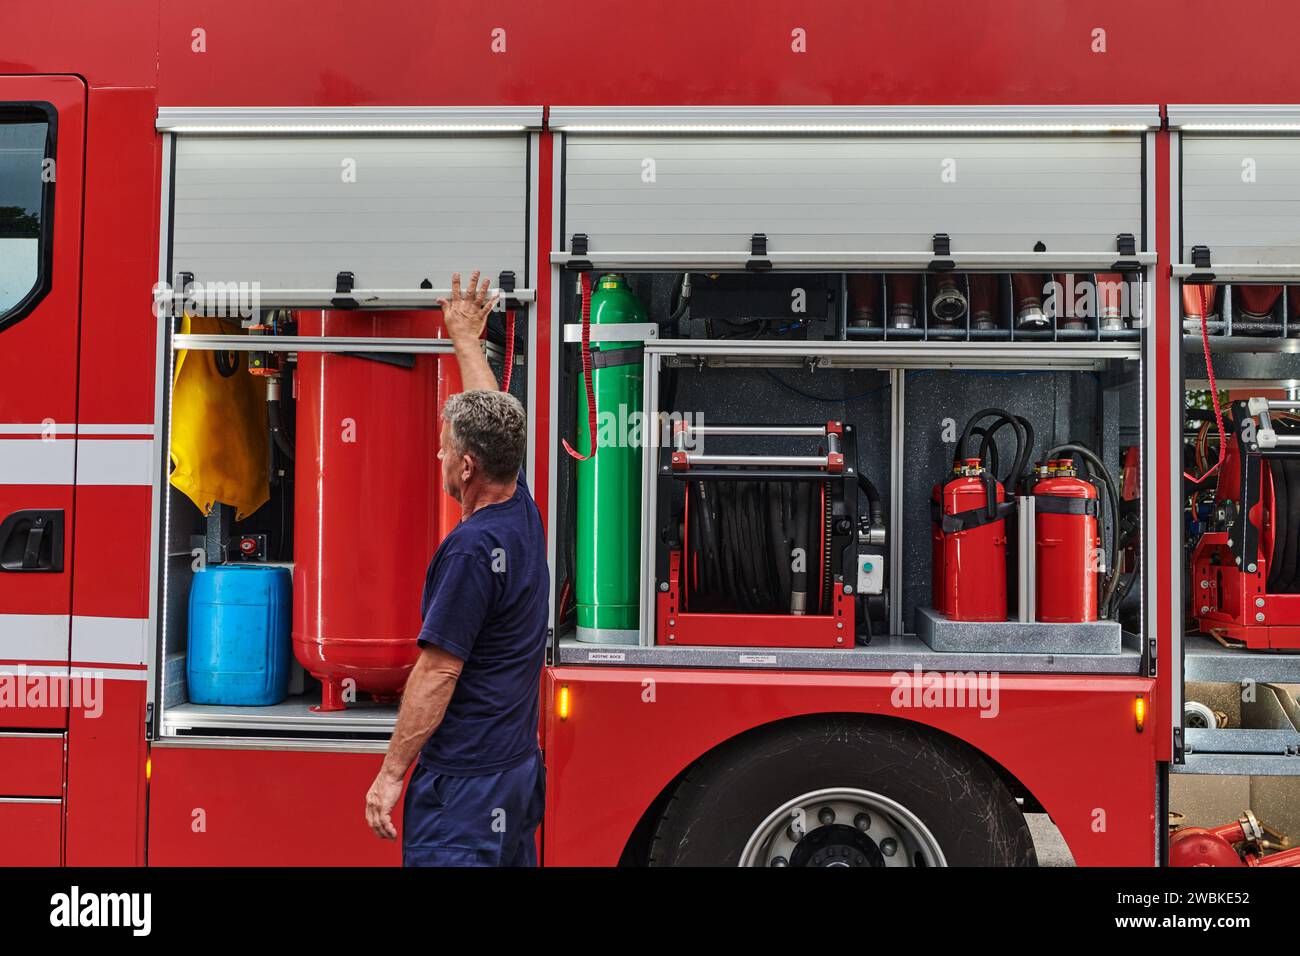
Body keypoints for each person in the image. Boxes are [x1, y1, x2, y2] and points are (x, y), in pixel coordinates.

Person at [364, 271, 548, 866]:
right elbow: (492, 421)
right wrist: (466, 340)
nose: (437, 455)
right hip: (514, 772)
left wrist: (392, 773)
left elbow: (438, 672)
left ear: (467, 467)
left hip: (466, 790)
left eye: (444, 448)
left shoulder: (472, 550)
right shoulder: (522, 509)